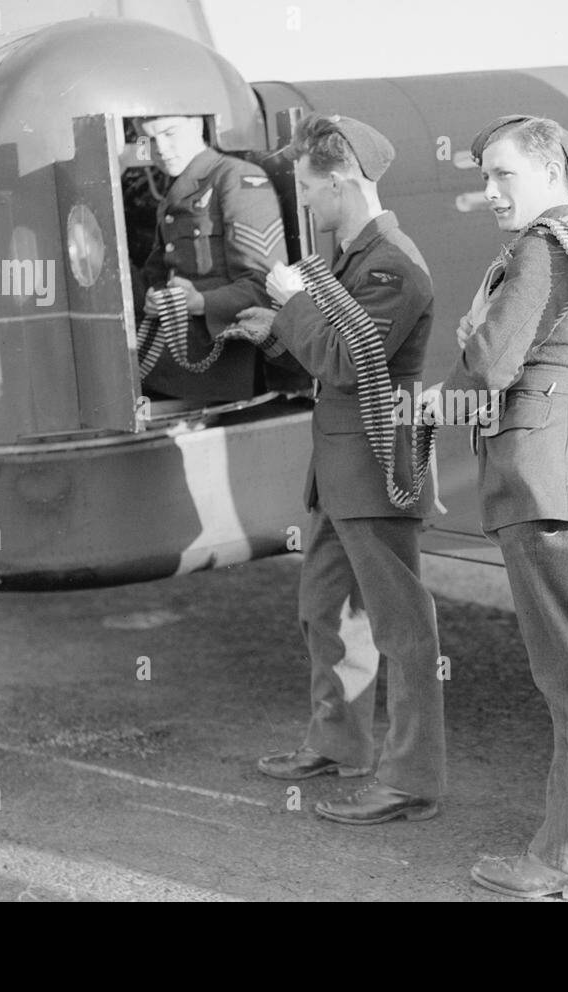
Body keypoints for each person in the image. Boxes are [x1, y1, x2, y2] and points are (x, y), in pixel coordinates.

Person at [430, 115, 568, 899]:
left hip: (539, 479)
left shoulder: (543, 247)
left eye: (502, 176)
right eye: (483, 177)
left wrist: (427, 404)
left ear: (550, 171)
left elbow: (489, 365)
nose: (488, 193)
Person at [236, 114, 446, 825]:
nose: (307, 206)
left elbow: (348, 359)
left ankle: (411, 781)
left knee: (402, 628)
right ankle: (341, 743)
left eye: (308, 190)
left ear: (338, 181)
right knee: (325, 610)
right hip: (341, 470)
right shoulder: (359, 256)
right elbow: (332, 343)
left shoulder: (393, 262)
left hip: (377, 465)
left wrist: (291, 301)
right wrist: (278, 326)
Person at [131, 114, 289, 403]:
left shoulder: (236, 178)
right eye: (151, 139)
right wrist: (157, 297)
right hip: (179, 350)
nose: (161, 148)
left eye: (169, 133)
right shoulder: (176, 191)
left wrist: (200, 302)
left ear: (197, 125)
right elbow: (156, 272)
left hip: (222, 359)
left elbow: (265, 286)